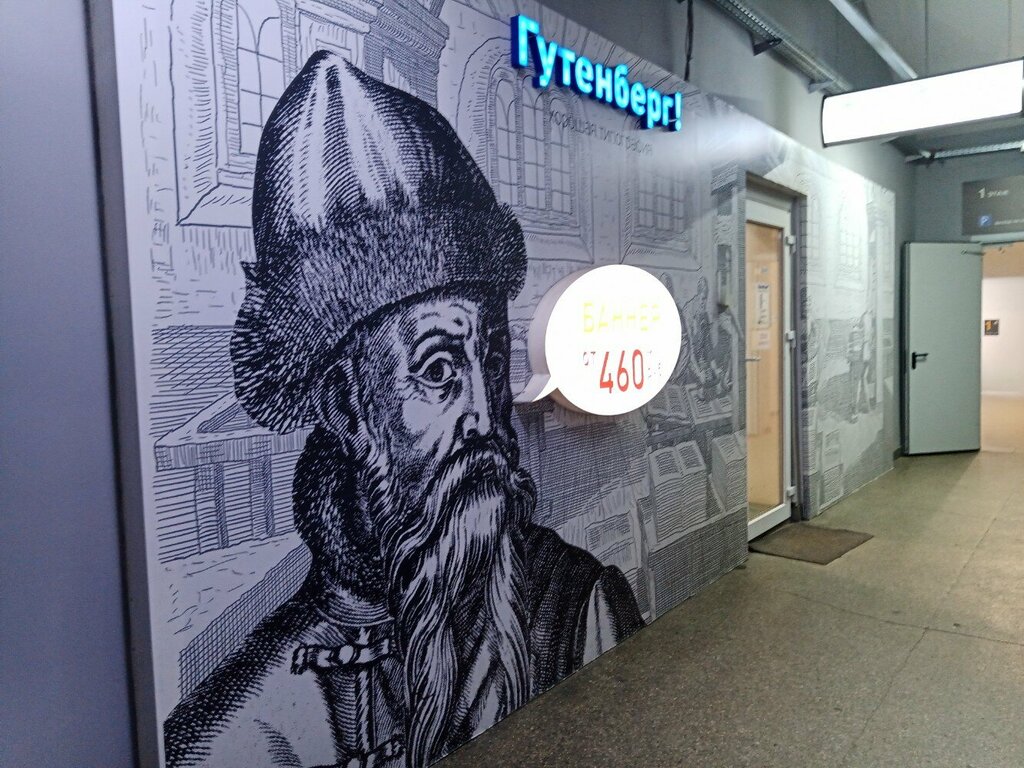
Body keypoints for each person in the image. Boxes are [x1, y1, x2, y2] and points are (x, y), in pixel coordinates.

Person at [164, 52, 642, 768]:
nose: (484, 414)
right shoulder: (247, 732)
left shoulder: (580, 607)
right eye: (439, 370)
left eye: (489, 357)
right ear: (346, 407)